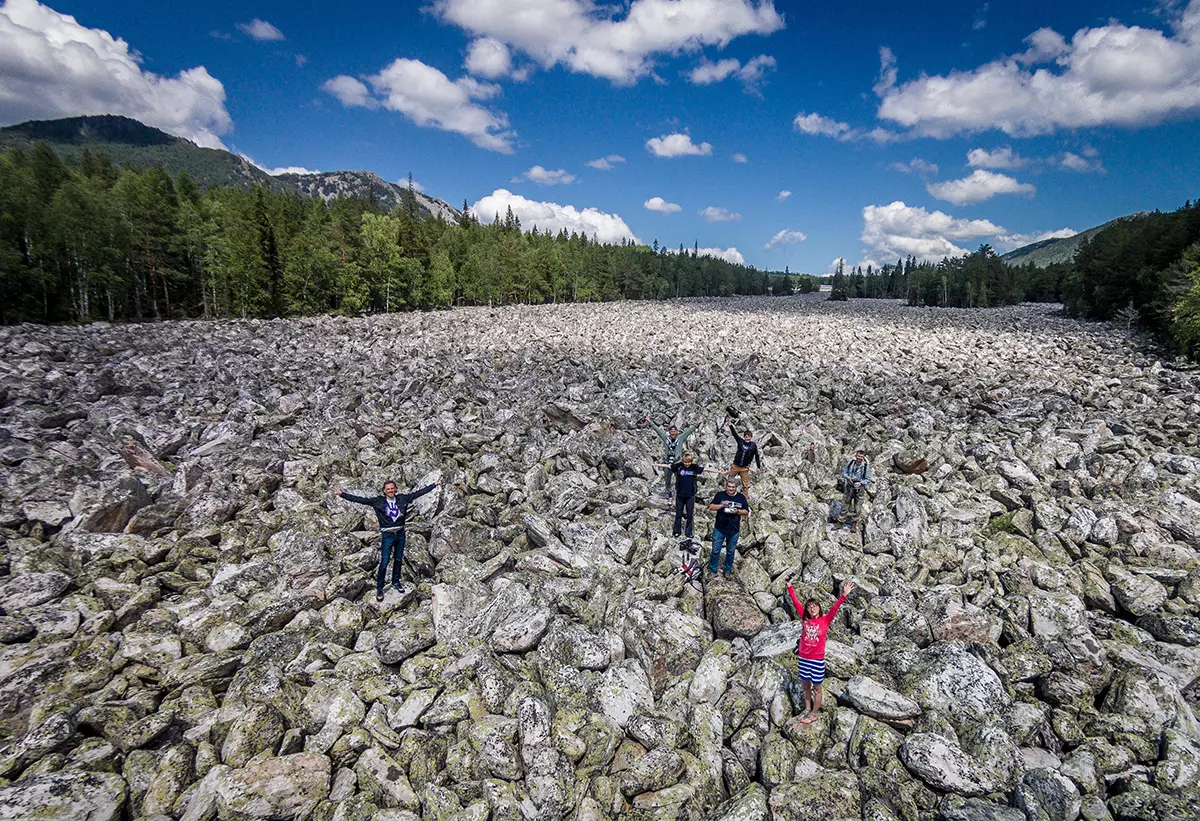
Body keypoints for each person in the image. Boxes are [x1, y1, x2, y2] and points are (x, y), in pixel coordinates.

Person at [331, 478, 440, 601]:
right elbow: (360, 500)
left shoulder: (402, 499)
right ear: (384, 491)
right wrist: (342, 494)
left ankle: (396, 582)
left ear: (395, 489)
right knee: (384, 562)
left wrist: (434, 485)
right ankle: (380, 588)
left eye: (392, 488)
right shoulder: (378, 501)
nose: (390, 490)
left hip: (400, 534)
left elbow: (418, 493)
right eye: (388, 489)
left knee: (398, 560)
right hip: (387, 536)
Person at [786, 577, 856, 724]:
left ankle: (814, 713)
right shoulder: (805, 619)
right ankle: (806, 709)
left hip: (817, 660)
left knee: (817, 688)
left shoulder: (825, 620)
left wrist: (844, 594)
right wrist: (789, 587)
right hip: (803, 658)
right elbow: (795, 602)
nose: (812, 608)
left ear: (819, 608)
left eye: (814, 606)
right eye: (809, 606)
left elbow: (835, 608)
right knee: (805, 687)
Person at [652, 453, 719, 539]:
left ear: (691, 461)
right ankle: (677, 531)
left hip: (690, 496)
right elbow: (668, 466)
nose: (687, 464)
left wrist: (718, 471)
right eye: (685, 462)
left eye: (689, 462)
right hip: (680, 496)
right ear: (683, 461)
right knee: (678, 514)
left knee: (690, 514)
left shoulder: (694, 467)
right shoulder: (679, 466)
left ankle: (688, 532)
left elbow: (706, 469)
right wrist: (656, 464)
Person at [645, 416, 697, 498]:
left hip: (677, 463)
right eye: (671, 432)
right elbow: (658, 431)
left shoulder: (680, 438)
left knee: (680, 478)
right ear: (669, 432)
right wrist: (650, 421)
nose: (673, 434)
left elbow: (688, 431)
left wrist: (697, 424)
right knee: (667, 478)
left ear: (676, 432)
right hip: (667, 463)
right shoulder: (666, 438)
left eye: (674, 432)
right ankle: (668, 492)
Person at [707, 478, 750, 576]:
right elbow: (711, 507)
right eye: (729, 487)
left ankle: (727, 571)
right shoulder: (720, 495)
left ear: (736, 487)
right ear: (726, 486)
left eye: (733, 487)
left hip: (734, 530)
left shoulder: (741, 497)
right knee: (715, 551)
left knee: (730, 552)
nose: (731, 489)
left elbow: (746, 512)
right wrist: (721, 506)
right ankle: (712, 570)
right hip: (719, 529)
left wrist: (738, 511)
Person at [726, 418, 763, 491]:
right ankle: (726, 497)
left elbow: (757, 456)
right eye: (746, 437)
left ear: (751, 437)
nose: (747, 438)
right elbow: (734, 434)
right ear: (744, 437)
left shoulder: (753, 446)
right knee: (729, 482)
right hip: (735, 466)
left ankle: (745, 500)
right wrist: (730, 424)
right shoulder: (740, 441)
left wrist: (758, 467)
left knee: (745, 485)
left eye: (749, 437)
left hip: (744, 468)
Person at [840, 450, 872, 525]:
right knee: (845, 504)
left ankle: (854, 523)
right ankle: (840, 521)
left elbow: (868, 479)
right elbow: (844, 472)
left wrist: (861, 483)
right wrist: (848, 477)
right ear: (856, 456)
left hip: (859, 489)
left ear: (863, 457)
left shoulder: (865, 467)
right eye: (858, 456)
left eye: (861, 457)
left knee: (857, 506)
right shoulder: (850, 463)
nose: (859, 458)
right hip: (849, 487)